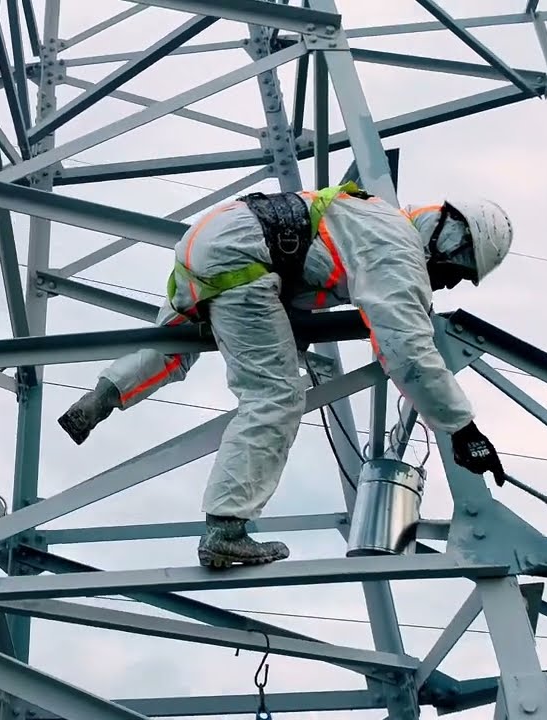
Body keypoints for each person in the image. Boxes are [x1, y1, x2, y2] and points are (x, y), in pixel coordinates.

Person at [57, 182, 512, 569]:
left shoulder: (372, 218)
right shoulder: (398, 250)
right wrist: (461, 428)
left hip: (213, 242)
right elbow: (407, 350)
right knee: (275, 395)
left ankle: (101, 396)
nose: (447, 284)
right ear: (448, 240)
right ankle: (225, 529)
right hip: (243, 258)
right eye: (456, 273)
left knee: (176, 346)